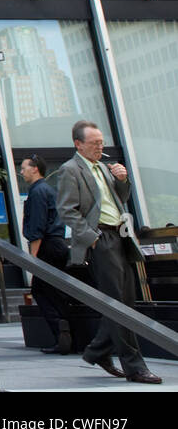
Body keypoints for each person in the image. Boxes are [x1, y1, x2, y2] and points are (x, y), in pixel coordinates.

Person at [55, 120, 162, 384]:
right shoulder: (70, 170)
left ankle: (98, 350)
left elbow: (120, 198)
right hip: (101, 238)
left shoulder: (103, 167)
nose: (99, 147)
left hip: (120, 235)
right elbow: (67, 210)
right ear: (78, 144)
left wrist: (123, 181)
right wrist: (91, 239)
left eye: (101, 142)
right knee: (118, 304)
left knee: (125, 302)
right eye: (94, 143)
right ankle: (135, 367)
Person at [20, 155, 72, 354]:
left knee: (42, 291)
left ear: (35, 169)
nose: (21, 171)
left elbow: (38, 226)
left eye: (24, 167)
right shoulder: (45, 190)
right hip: (54, 245)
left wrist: (33, 259)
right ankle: (64, 332)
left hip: (48, 247)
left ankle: (62, 332)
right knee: (52, 291)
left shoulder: (38, 191)